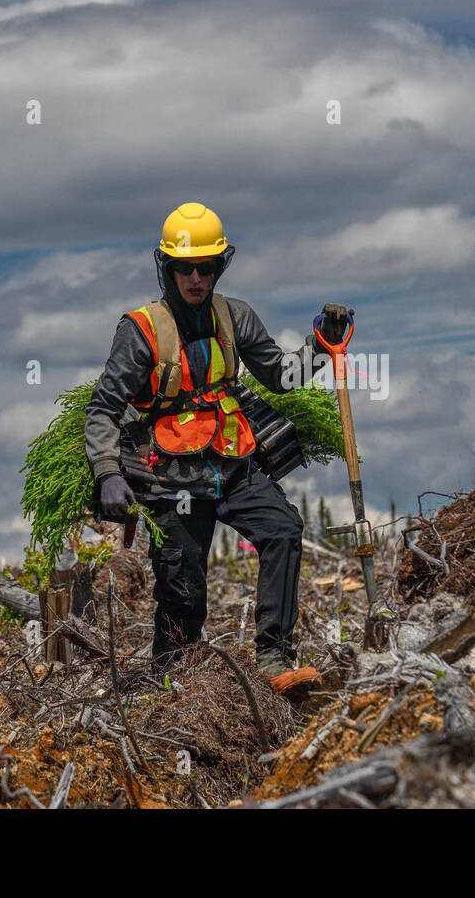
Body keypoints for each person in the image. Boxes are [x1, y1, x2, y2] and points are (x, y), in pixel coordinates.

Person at [85, 202, 349, 696]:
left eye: (205, 267)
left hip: (233, 463)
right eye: (184, 267)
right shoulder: (139, 330)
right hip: (171, 478)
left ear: (219, 266)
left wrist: (319, 346)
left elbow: (280, 377)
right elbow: (103, 408)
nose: (195, 278)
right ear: (166, 267)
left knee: (284, 530)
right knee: (184, 594)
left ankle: (275, 659)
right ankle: (172, 689)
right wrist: (108, 473)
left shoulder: (236, 316)